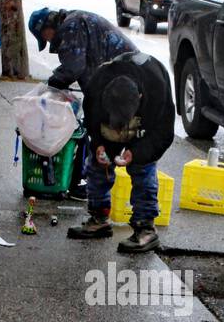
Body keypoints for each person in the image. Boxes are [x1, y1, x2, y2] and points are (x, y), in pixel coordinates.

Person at [66, 52, 174, 253]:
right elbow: (91, 120)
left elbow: (163, 134)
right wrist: (98, 144)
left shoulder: (157, 87)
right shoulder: (97, 84)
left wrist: (137, 152)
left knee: (143, 169)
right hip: (106, 124)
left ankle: (145, 228)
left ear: (140, 98)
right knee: (98, 164)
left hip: (147, 126)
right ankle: (99, 218)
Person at [28, 7, 136, 199]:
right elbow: (82, 64)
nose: (49, 42)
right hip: (120, 80)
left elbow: (73, 68)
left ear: (47, 26)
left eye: (45, 37)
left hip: (122, 84)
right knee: (97, 131)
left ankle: (93, 189)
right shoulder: (75, 21)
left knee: (103, 136)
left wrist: (52, 85)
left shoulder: (71, 26)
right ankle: (86, 183)